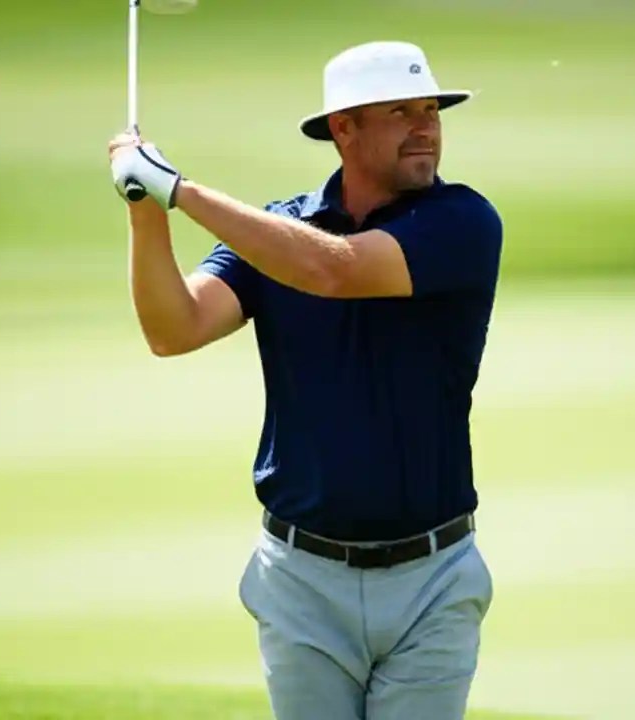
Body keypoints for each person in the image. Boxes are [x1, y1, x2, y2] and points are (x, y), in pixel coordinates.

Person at [106, 40, 502, 720]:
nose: (426, 127)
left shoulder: (461, 221)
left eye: (432, 109)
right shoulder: (277, 230)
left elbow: (336, 270)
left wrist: (181, 191)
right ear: (343, 127)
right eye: (402, 111)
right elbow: (175, 329)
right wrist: (146, 210)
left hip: (431, 578)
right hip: (299, 578)